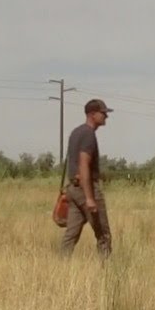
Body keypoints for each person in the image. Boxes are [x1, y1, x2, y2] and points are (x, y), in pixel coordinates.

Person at [60, 98, 113, 258]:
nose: (106, 116)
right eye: (103, 113)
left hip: (73, 189)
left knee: (71, 235)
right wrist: (90, 198)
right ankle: (107, 273)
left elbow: (71, 161)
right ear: (92, 114)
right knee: (103, 234)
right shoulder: (89, 134)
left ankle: (60, 267)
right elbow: (83, 163)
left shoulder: (76, 132)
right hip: (86, 189)